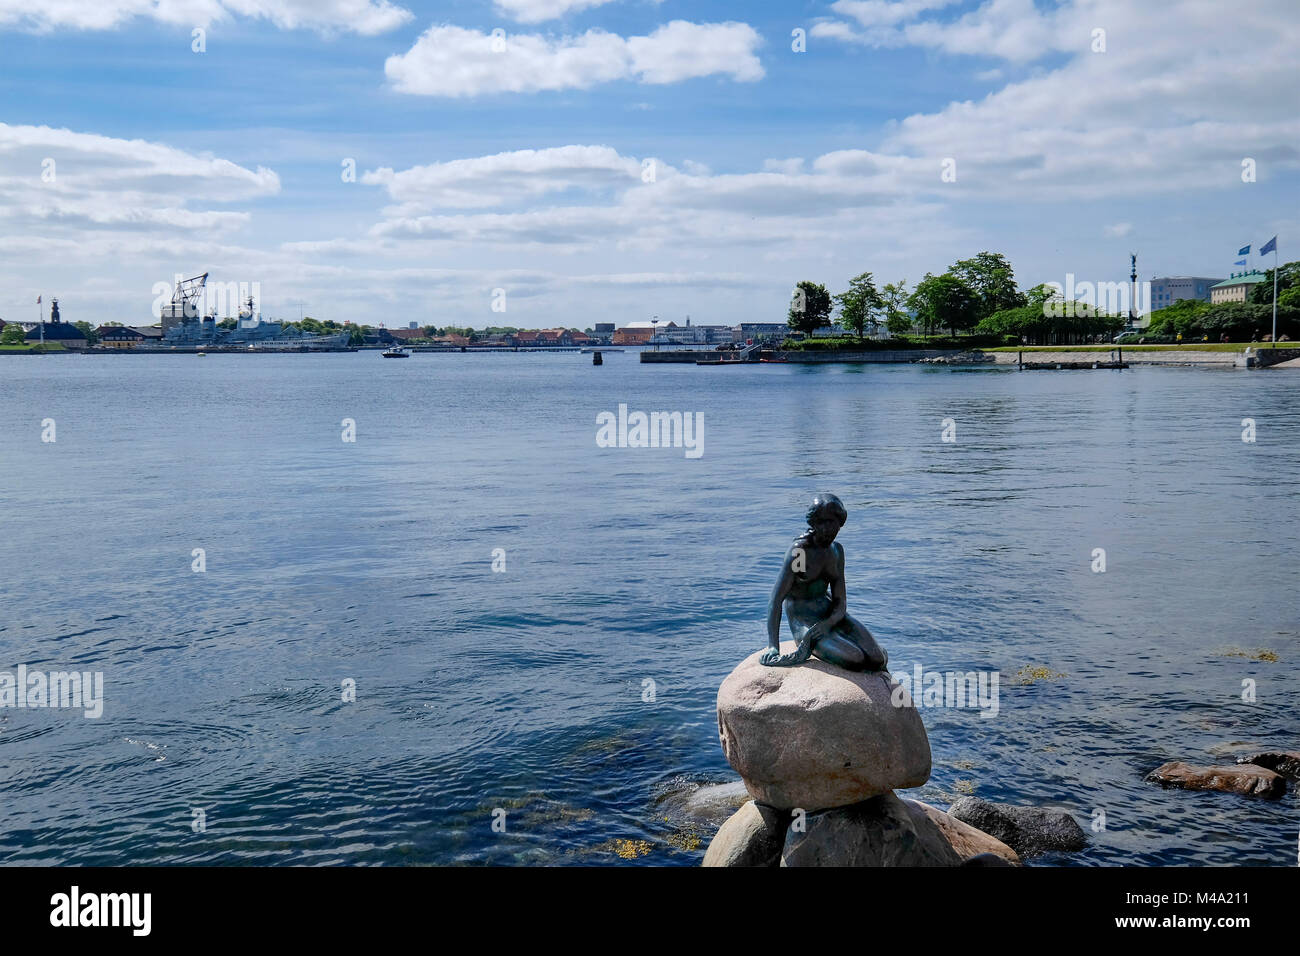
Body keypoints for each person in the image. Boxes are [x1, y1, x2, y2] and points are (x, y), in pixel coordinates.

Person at [761, 493, 888, 671]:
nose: (829, 529)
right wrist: (773, 646)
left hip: (831, 614)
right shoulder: (800, 553)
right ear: (813, 523)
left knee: (876, 657)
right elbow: (775, 601)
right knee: (855, 658)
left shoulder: (836, 551)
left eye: (833, 523)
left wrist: (828, 623)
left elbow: (840, 601)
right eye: (823, 522)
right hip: (804, 619)